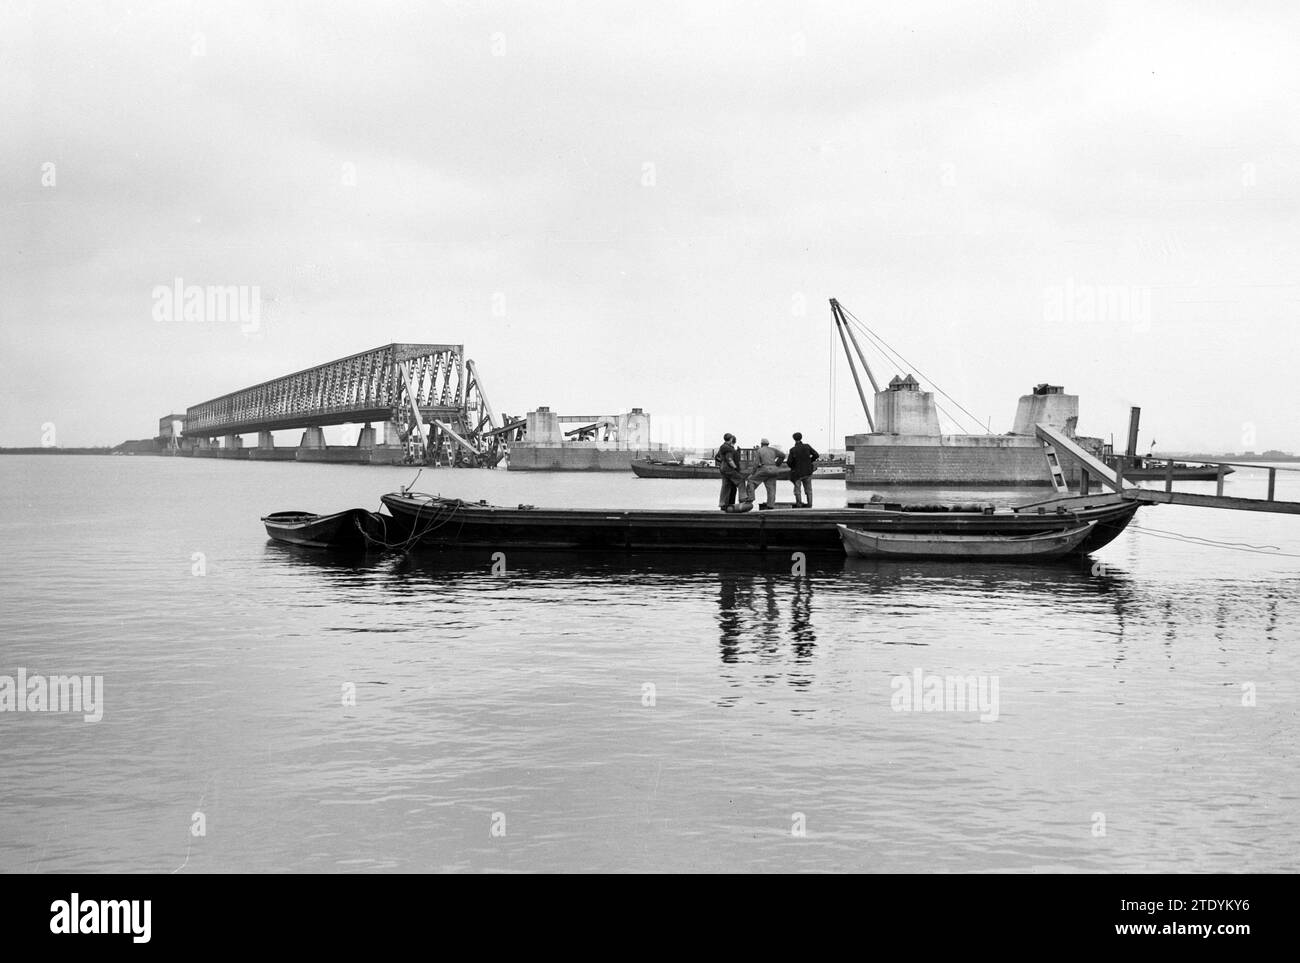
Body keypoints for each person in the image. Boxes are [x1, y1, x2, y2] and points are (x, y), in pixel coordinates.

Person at [745, 437, 786, 510]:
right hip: (774, 470)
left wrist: (753, 473)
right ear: (768, 444)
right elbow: (783, 455)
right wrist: (777, 464)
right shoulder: (773, 450)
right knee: (771, 488)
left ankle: (750, 498)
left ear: (761, 444)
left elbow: (756, 463)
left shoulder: (759, 450)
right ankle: (770, 505)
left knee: (751, 480)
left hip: (765, 469)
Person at [786, 431, 820, 508]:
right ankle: (810, 505)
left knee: (797, 490)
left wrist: (793, 467)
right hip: (808, 471)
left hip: (797, 473)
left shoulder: (793, 450)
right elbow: (816, 455)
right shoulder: (807, 446)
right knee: (809, 489)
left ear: (794, 439)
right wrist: (810, 461)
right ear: (801, 438)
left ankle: (799, 504)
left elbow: (789, 462)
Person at [716, 433, 744, 510]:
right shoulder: (728, 449)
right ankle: (742, 499)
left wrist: (722, 462)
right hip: (729, 469)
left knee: (726, 486)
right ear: (731, 440)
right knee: (740, 481)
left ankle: (724, 504)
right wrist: (735, 467)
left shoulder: (723, 448)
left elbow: (717, 458)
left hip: (723, 469)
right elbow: (730, 459)